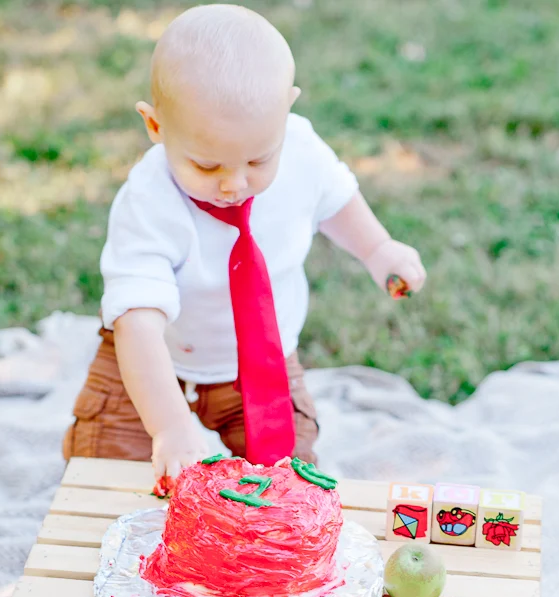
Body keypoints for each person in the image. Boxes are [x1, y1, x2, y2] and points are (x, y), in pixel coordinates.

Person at [63, 3, 426, 482]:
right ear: (156, 127)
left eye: (258, 160)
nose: (234, 184)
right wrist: (169, 427)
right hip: (150, 365)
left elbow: (335, 199)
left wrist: (378, 250)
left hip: (259, 362)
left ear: (287, 108)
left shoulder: (300, 149)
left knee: (287, 479)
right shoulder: (148, 201)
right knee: (102, 479)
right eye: (207, 165)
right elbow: (138, 325)